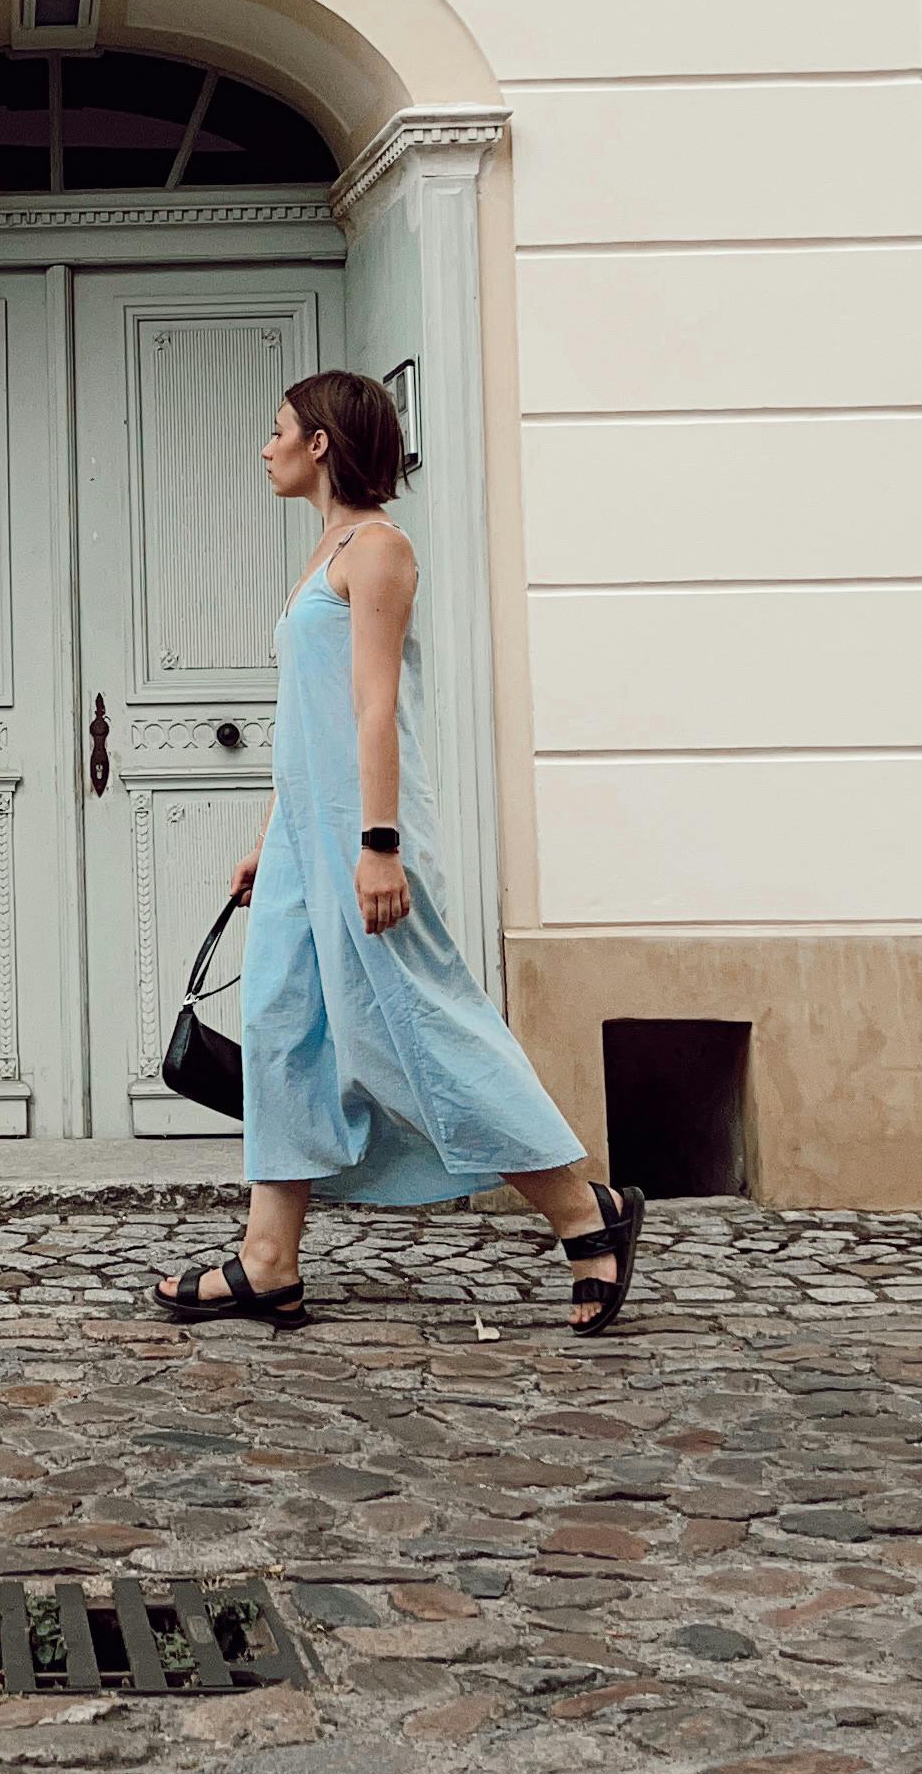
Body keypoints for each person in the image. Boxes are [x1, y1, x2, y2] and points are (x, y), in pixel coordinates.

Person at [153, 367, 647, 1336]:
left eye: (279, 428)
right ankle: (269, 1261)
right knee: (283, 1024)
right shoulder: (323, 555)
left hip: (362, 833)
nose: (266, 446)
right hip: (306, 839)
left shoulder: (379, 549)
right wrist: (271, 843)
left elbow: (374, 706)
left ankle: (588, 1214)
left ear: (322, 445)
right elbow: (306, 718)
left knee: (415, 1029)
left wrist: (378, 845)